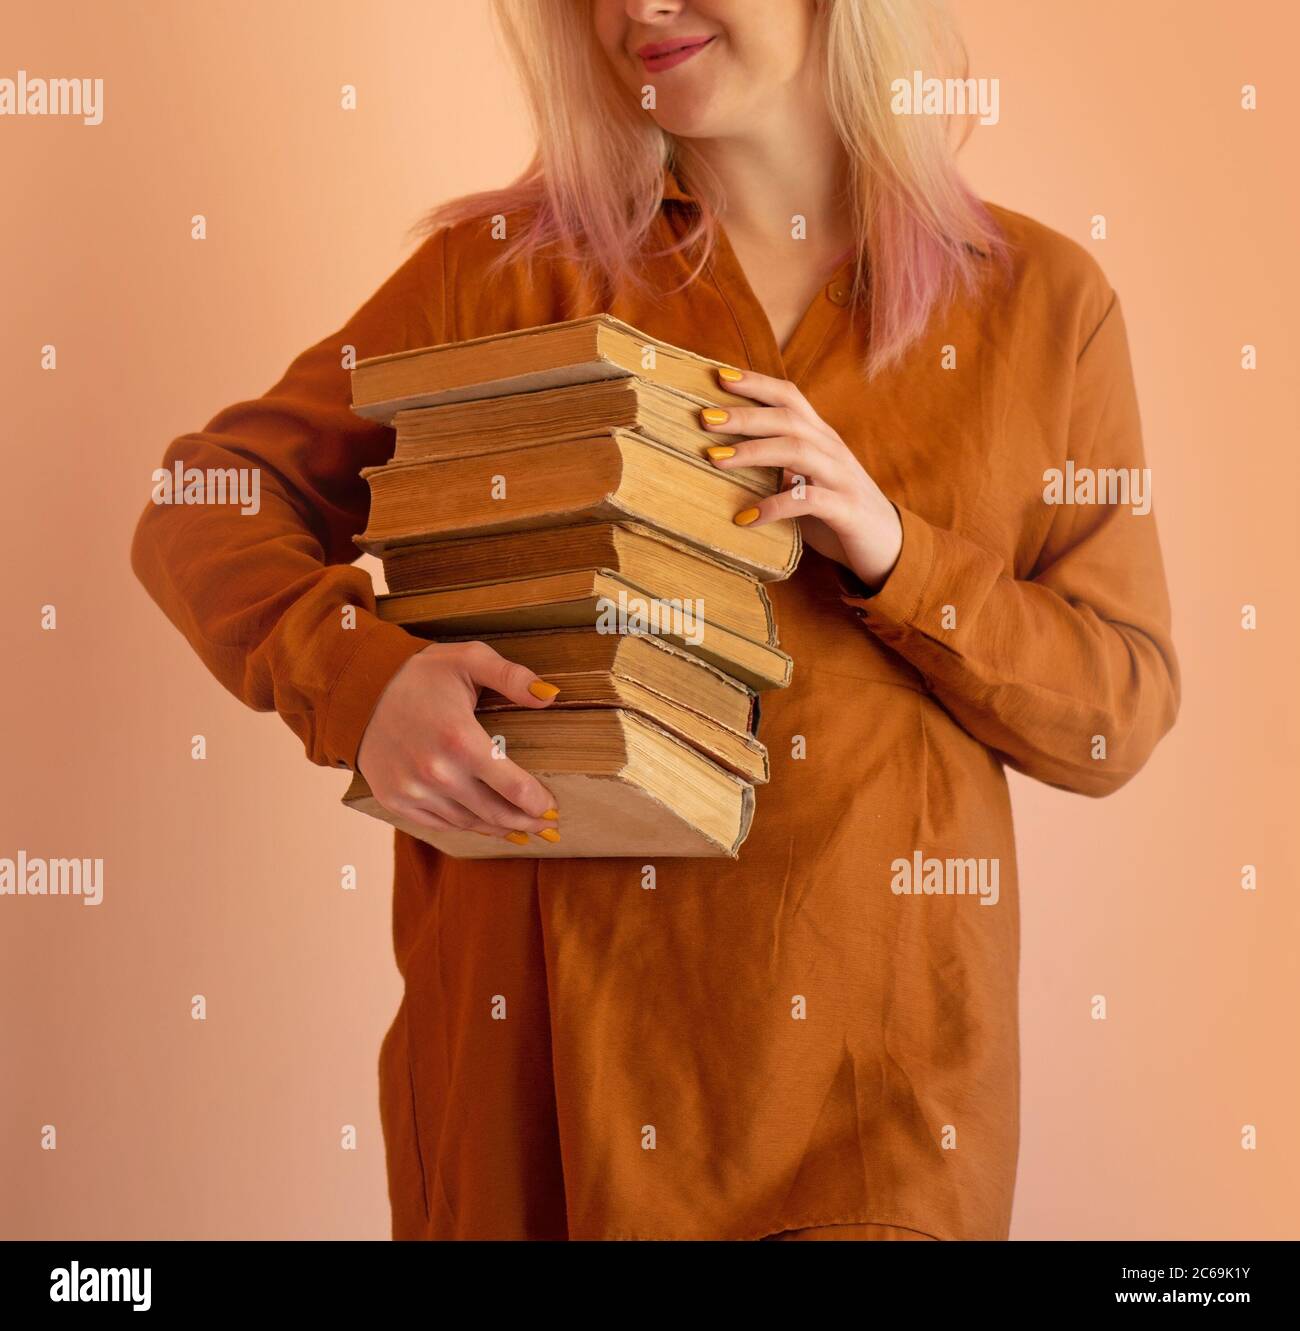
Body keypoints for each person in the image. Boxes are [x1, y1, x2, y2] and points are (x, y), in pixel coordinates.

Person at [132, 0, 1179, 1240]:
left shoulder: (1043, 304)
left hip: (875, 1130)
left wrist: (896, 550)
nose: (638, 8)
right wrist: (358, 681)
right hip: (536, 1112)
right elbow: (204, 498)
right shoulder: (500, 276)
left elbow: (1115, 713)